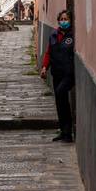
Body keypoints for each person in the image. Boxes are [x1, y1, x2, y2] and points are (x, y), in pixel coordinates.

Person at [40, 8, 75, 142]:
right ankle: (64, 132)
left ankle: (68, 131)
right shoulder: (54, 35)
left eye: (66, 19)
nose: (63, 21)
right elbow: (49, 52)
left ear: (70, 21)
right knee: (60, 102)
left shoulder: (72, 35)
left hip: (68, 74)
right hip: (57, 73)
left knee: (61, 94)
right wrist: (44, 67)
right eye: (61, 19)